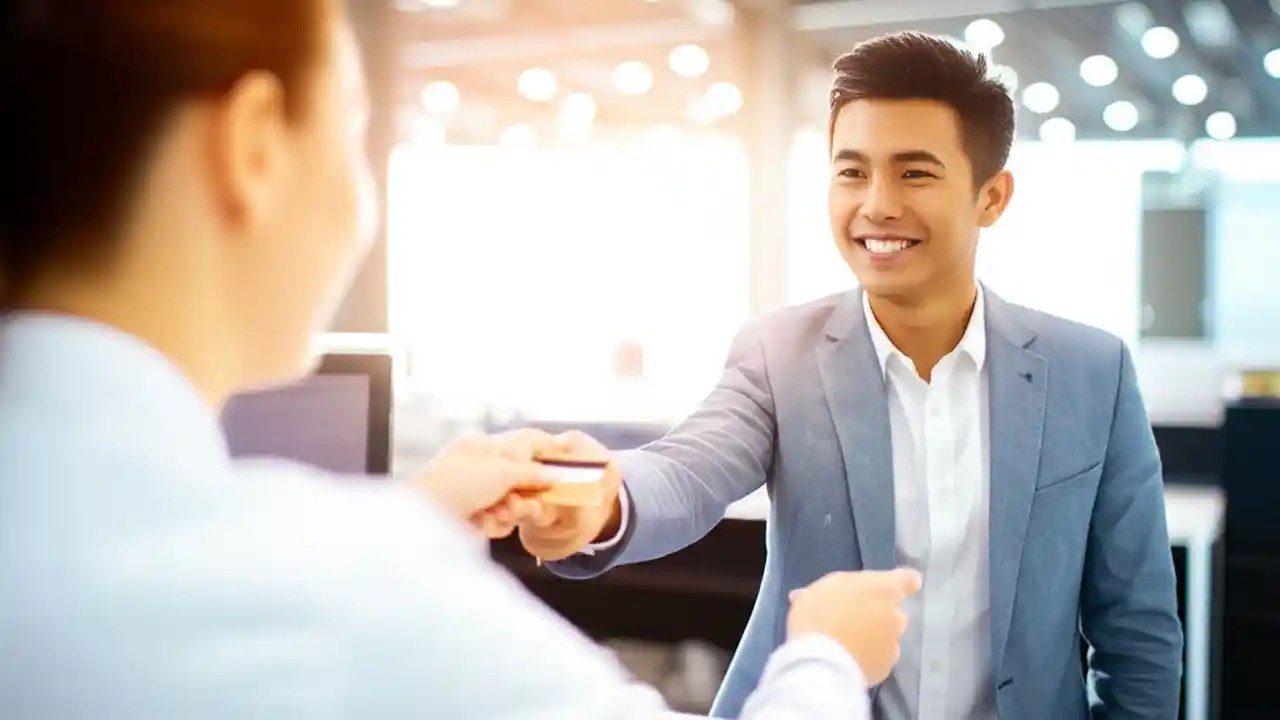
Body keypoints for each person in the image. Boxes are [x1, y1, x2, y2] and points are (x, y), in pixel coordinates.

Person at [0, 2, 920, 718]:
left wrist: (412, 517)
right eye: (354, 130)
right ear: (252, 147)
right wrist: (828, 659)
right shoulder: (351, 597)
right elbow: (299, 610)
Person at [512, 31, 1184, 720]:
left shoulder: (1090, 373)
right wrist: (603, 502)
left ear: (992, 196)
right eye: (852, 171)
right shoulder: (781, 353)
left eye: (914, 173)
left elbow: (1137, 628)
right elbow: (688, 471)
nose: (877, 205)